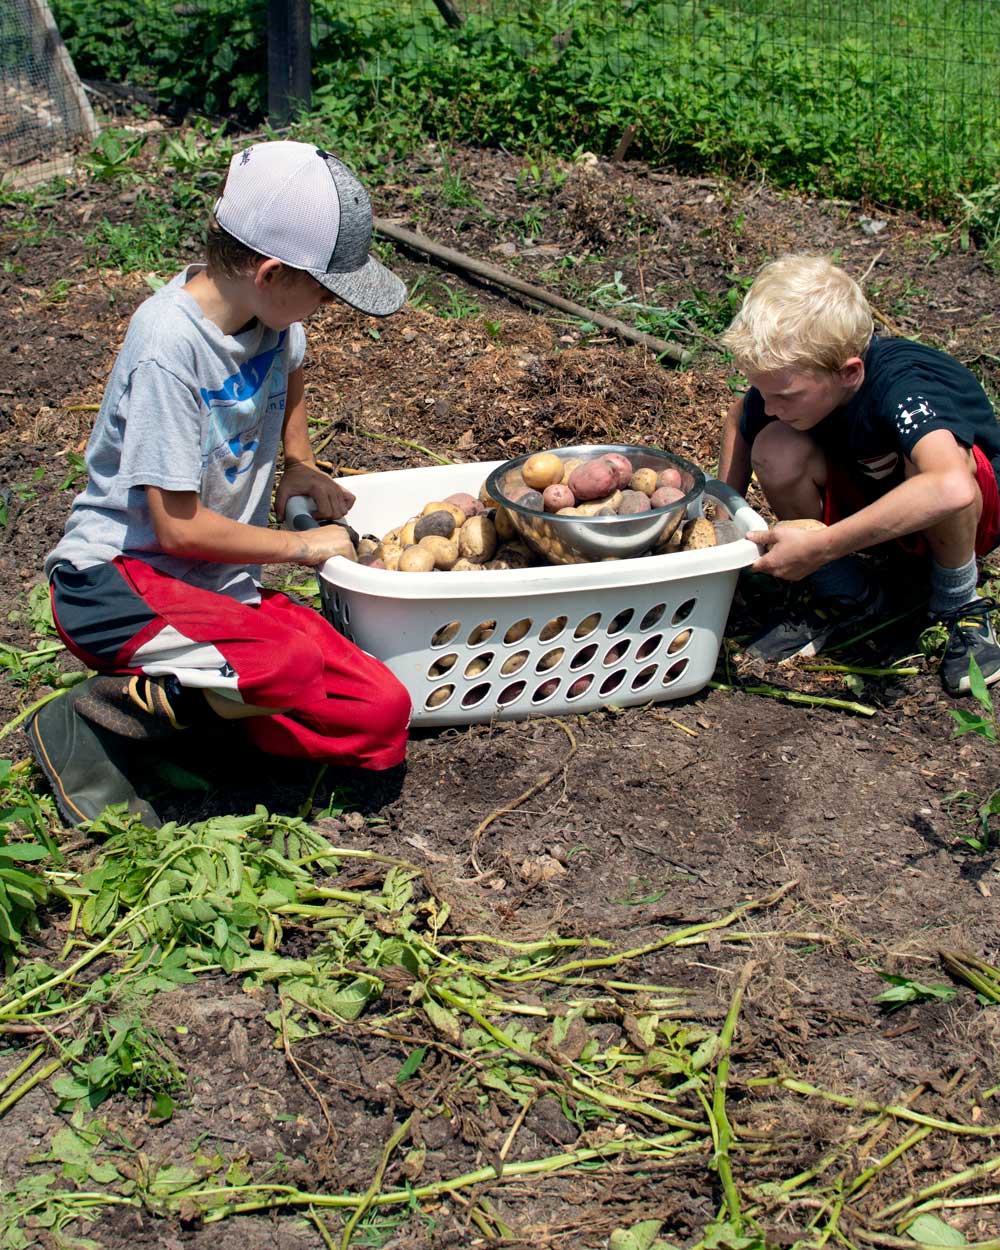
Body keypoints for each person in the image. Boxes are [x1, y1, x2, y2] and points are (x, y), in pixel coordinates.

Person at [28, 140, 412, 827]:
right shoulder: (168, 349)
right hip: (118, 584)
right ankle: (90, 724)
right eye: (324, 289)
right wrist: (304, 548)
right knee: (289, 663)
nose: (326, 305)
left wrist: (299, 460)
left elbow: (291, 367)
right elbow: (177, 528)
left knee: (379, 717)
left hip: (211, 586)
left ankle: (201, 719)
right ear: (269, 272)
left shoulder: (269, 319)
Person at [716, 253, 1000, 695]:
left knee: (945, 466)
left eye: (784, 395)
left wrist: (821, 547)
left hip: (970, 518)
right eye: (762, 391)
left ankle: (959, 602)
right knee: (775, 444)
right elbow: (740, 418)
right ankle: (848, 594)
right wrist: (722, 522)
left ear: (849, 372)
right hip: (877, 510)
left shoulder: (902, 386)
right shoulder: (793, 389)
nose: (770, 406)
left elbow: (951, 486)